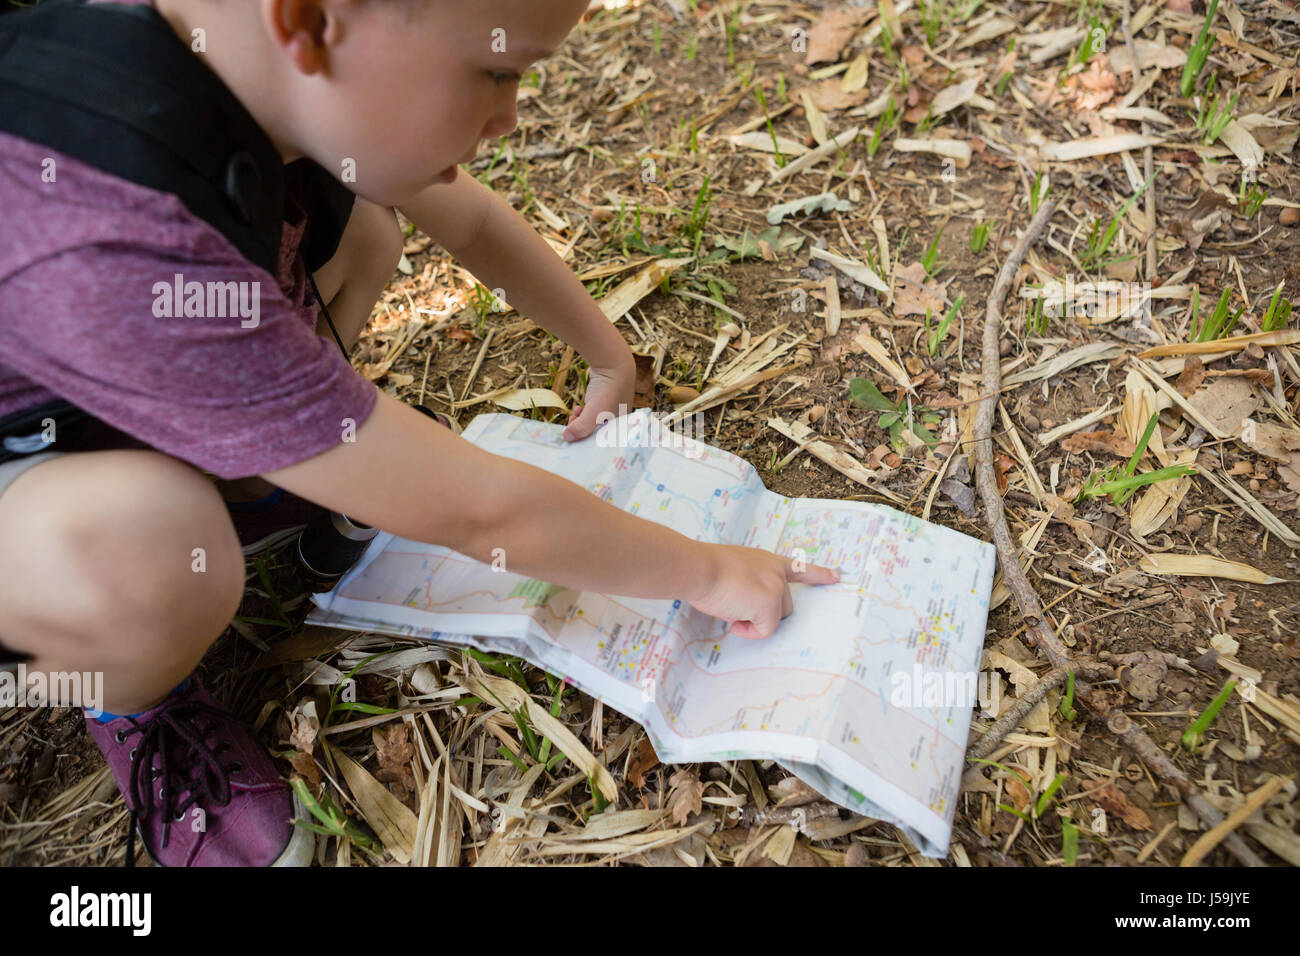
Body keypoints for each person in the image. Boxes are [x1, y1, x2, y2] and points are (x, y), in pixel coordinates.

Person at [0, 0, 839, 866]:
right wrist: (706, 568)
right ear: (310, 21)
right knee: (151, 549)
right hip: (32, 502)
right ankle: (131, 694)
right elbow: (483, 515)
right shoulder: (117, 238)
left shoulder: (256, 80)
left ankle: (257, 482)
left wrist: (606, 355)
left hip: (101, 406)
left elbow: (468, 218)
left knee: (362, 230)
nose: (511, 115)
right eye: (498, 71)